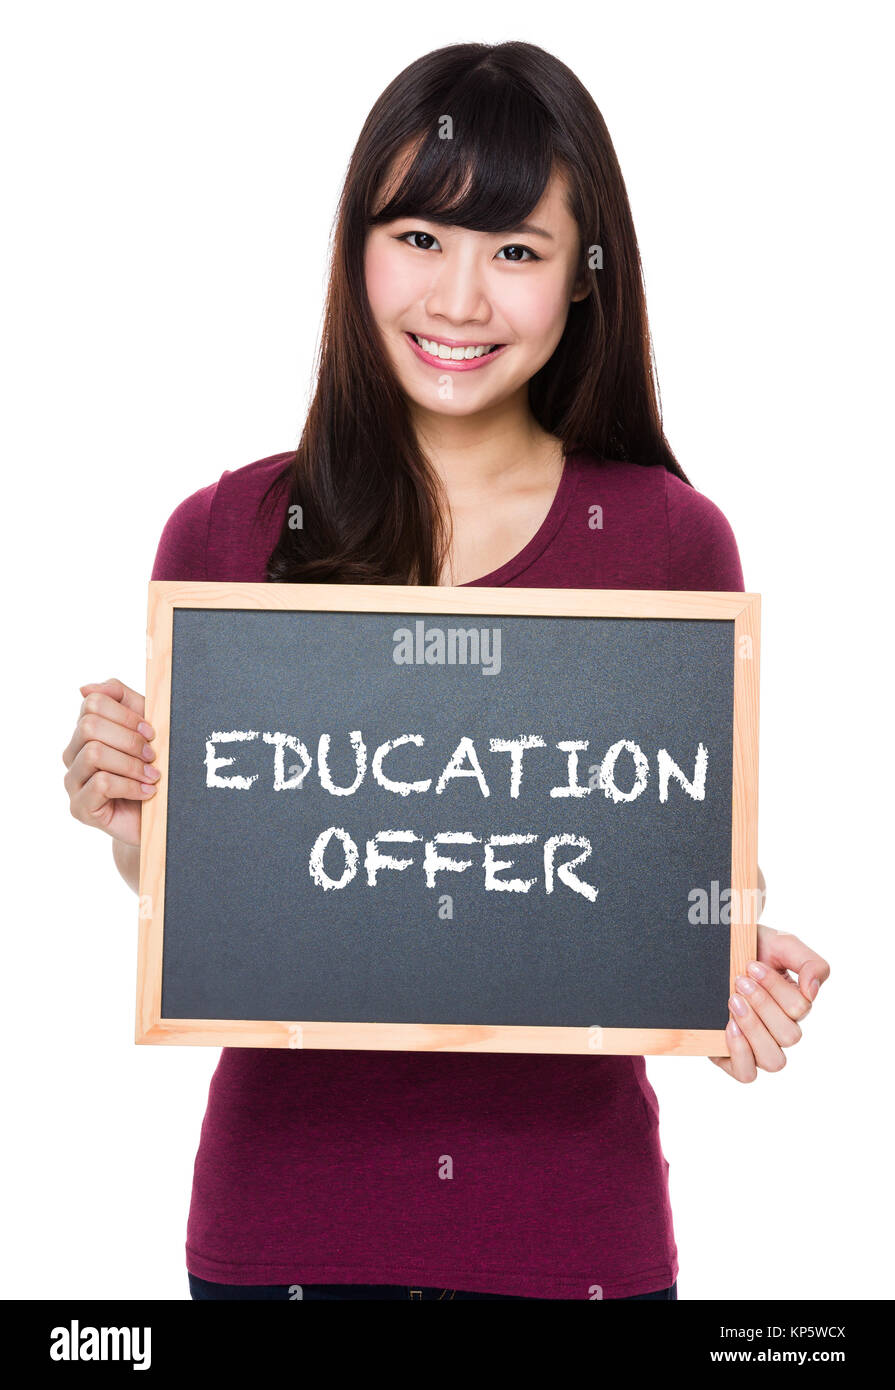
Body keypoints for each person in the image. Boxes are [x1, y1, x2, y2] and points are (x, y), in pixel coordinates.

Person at [62, 41, 829, 1301]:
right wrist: (137, 827)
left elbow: (672, 859)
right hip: (285, 1228)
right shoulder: (228, 535)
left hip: (570, 1237)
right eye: (419, 236)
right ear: (357, 247)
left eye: (516, 251)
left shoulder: (668, 542)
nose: (459, 300)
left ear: (583, 283)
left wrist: (732, 964)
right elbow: (220, 894)